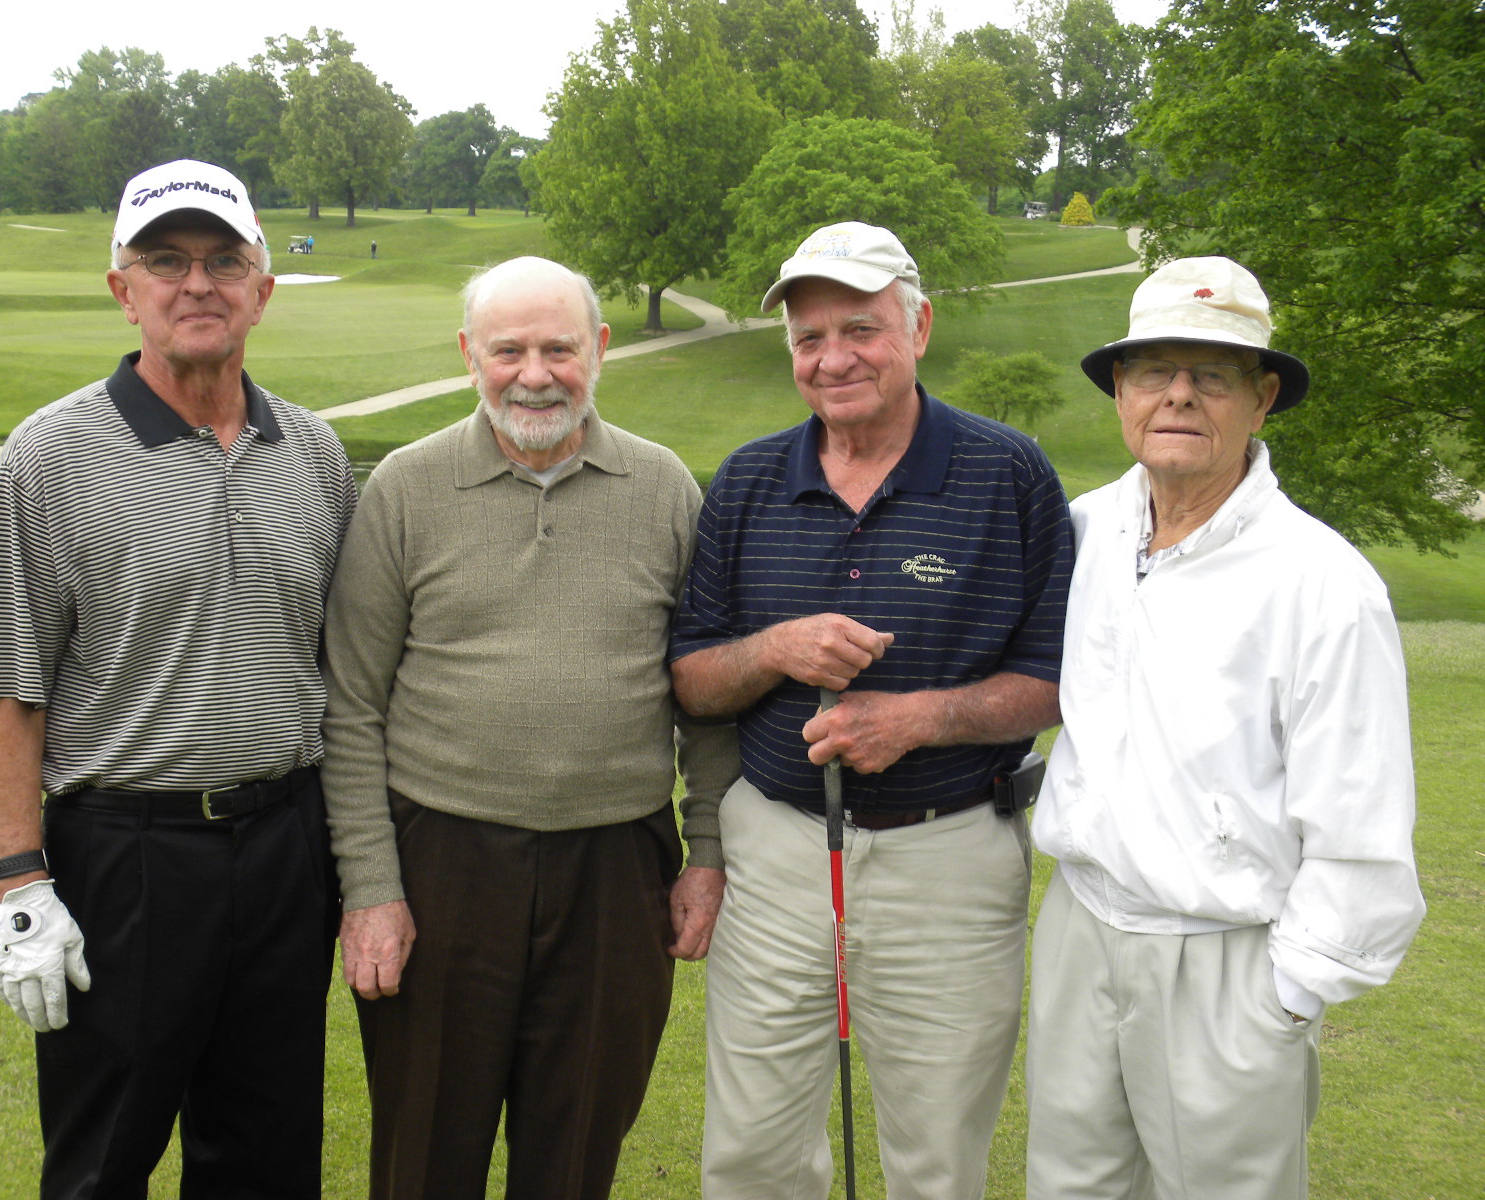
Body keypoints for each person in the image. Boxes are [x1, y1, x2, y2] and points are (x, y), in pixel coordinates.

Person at [0, 158, 357, 1199]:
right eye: (166, 261)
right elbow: (9, 688)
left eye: (224, 260)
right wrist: (18, 882)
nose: (198, 284)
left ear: (261, 290)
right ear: (122, 288)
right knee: (103, 1160)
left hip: (286, 848)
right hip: (128, 856)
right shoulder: (46, 458)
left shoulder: (314, 454)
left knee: (267, 1156)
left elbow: (342, 673)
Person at [669, 221, 1076, 1200]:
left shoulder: (1007, 475)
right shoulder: (748, 480)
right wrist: (774, 650)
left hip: (949, 857)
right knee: (752, 1154)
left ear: (919, 325)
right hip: (773, 855)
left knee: (935, 1158)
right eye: (809, 338)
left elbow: (1059, 678)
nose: (834, 357)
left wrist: (918, 719)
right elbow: (690, 679)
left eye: (861, 327)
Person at [320, 255, 739, 1199]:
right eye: (509, 349)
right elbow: (349, 707)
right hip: (443, 865)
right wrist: (372, 889)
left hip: (617, 871)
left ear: (600, 348)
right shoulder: (404, 488)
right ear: (471, 355)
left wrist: (705, 853)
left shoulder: (664, 487)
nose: (535, 373)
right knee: (426, 1155)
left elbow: (705, 696)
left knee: (577, 1155)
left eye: (559, 347)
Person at [1026, 257, 1427, 1200]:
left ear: (1263, 397)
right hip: (1080, 932)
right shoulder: (1081, 535)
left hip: (1227, 963)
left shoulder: (1324, 585)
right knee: (1069, 1186)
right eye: (1154, 370)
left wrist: (1282, 998)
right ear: (1119, 392)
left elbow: (1359, 827)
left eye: (1213, 374)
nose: (1178, 395)